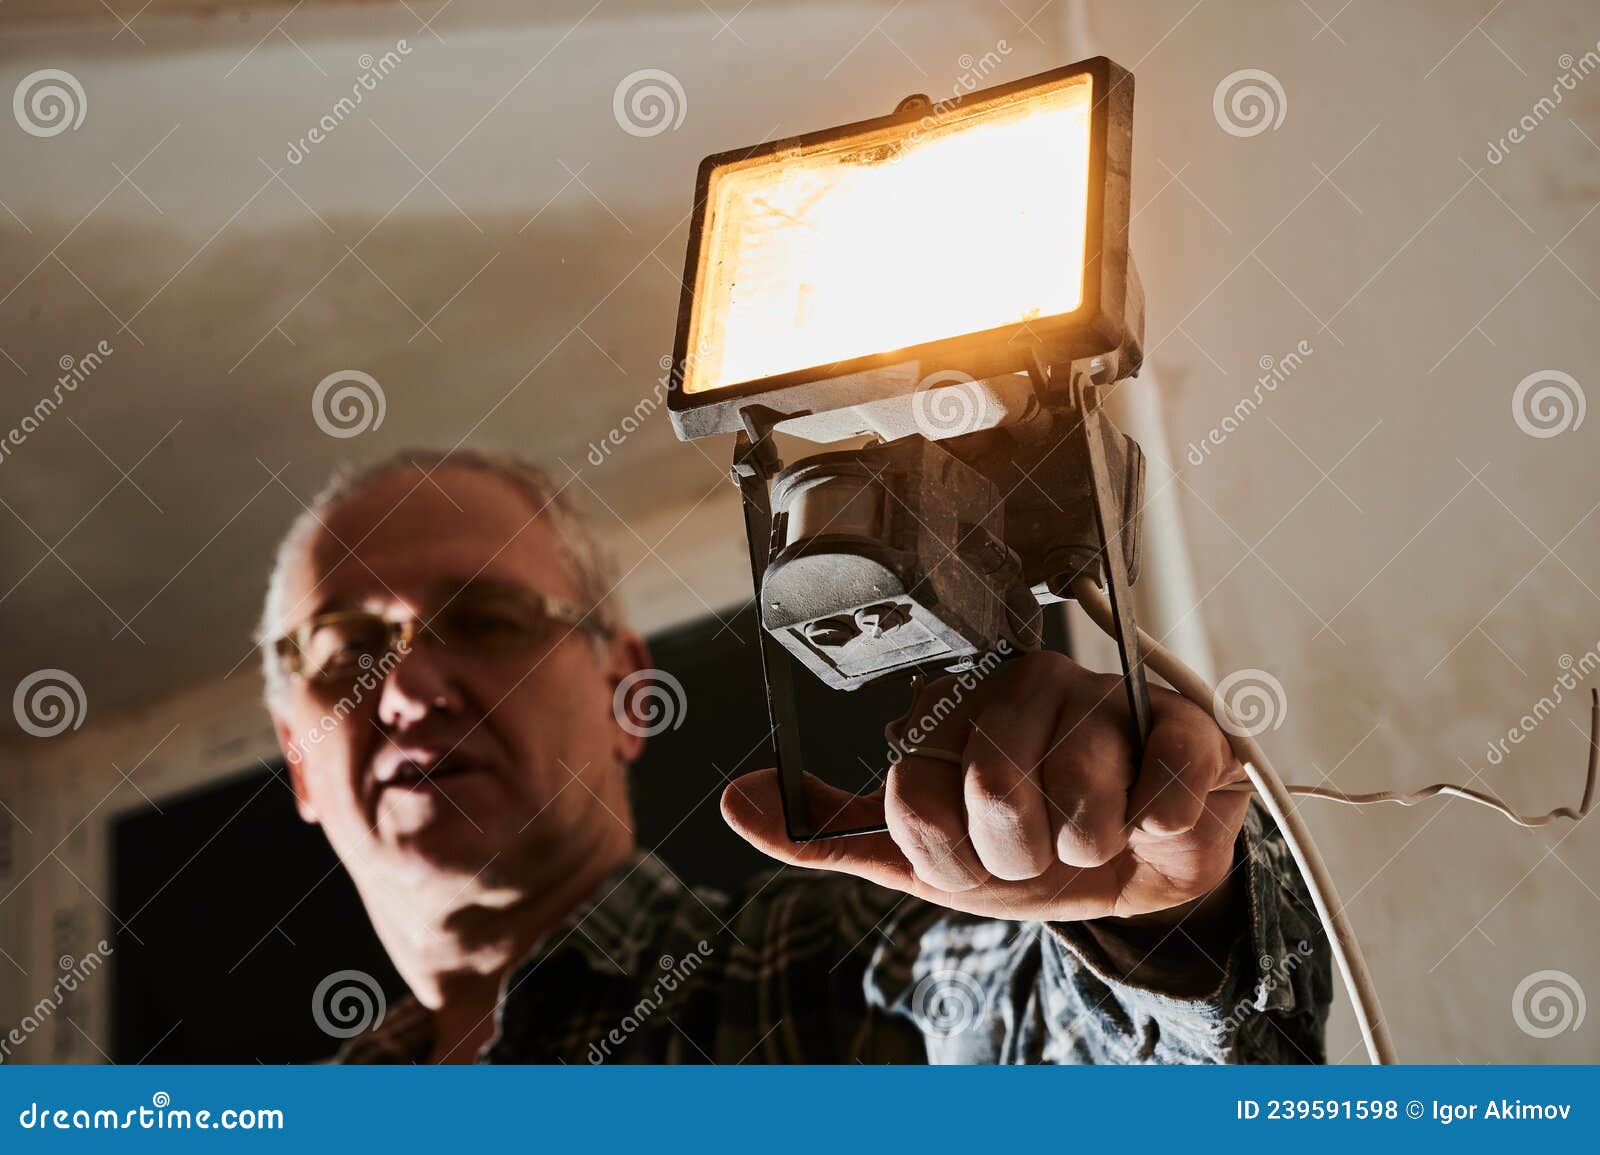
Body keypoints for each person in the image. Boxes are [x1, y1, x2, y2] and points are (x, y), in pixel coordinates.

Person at [256, 448, 1330, 1064]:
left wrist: (1154, 931)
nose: (403, 688)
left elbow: (1076, 1044)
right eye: (345, 648)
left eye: (486, 618)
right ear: (298, 764)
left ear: (628, 691)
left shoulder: (827, 971)